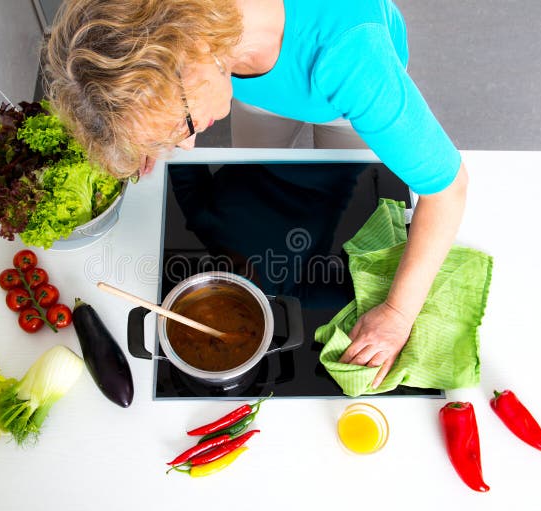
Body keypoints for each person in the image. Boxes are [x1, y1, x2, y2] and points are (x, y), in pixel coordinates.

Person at [43, 0, 468, 389]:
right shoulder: (204, 50)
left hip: (337, 101)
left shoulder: (353, 58)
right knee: (256, 150)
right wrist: (149, 130)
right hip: (249, 80)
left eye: (182, 123)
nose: (187, 145)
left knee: (345, 158)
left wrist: (397, 314)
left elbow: (448, 190)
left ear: (192, 55)